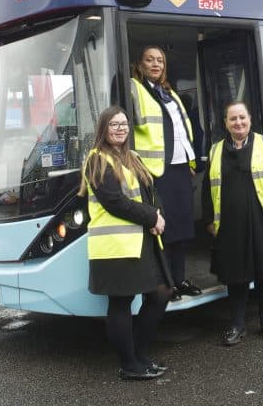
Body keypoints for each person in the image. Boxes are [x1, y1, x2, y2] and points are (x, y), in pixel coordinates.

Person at [78, 106, 172, 381]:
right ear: (103, 130)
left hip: (142, 239)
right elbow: (114, 201)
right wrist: (152, 216)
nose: (120, 128)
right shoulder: (96, 159)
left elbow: (151, 192)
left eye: (124, 124)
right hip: (116, 245)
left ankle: (140, 356)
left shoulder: (133, 157)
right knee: (121, 303)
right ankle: (129, 364)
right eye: (114, 124)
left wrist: (158, 215)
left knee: (161, 294)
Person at [203, 101, 263, 346]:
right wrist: (209, 219)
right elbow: (206, 188)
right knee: (235, 276)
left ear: (250, 120)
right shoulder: (215, 150)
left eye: (242, 117)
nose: (238, 122)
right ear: (225, 124)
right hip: (230, 224)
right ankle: (237, 325)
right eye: (233, 119)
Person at [129, 45, 202, 301]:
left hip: (180, 166)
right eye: (150, 60)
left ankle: (179, 279)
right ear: (140, 64)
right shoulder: (135, 88)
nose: (156, 64)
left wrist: (191, 162)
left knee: (182, 227)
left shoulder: (168, 92)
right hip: (157, 170)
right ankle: (166, 283)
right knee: (164, 229)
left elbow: (182, 129)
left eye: (160, 60)